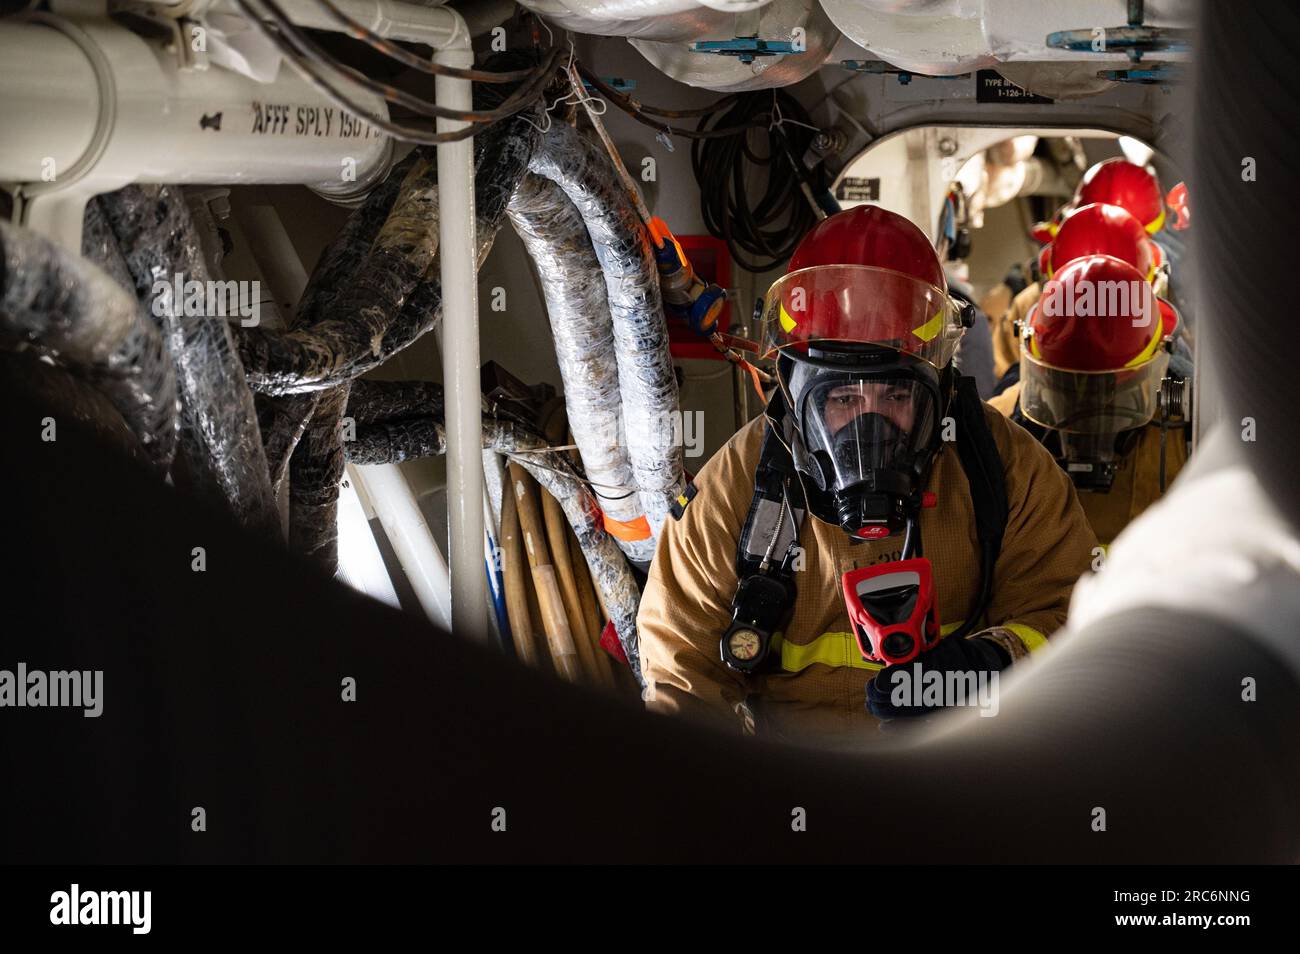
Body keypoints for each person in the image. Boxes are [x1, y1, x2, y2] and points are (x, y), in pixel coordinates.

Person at [636, 206, 1098, 746]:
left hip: (966, 769)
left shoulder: (1002, 468)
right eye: (844, 397)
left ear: (938, 390)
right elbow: (681, 680)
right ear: (795, 392)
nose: (870, 426)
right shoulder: (735, 493)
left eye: (898, 395)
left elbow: (1073, 610)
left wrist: (992, 661)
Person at [993, 252, 1188, 546]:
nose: (1090, 411)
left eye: (1108, 393)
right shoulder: (1000, 427)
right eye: (1069, 391)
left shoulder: (1189, 426)